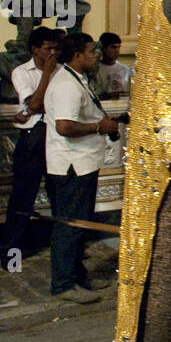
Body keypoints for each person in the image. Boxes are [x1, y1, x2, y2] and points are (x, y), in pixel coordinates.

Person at [43, 32, 119, 303]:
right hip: (72, 164)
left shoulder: (77, 79)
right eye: (91, 51)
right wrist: (100, 127)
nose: (96, 54)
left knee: (80, 223)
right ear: (77, 55)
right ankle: (63, 284)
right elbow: (64, 126)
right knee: (70, 224)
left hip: (83, 162)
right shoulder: (66, 85)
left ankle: (77, 276)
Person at [0, 26, 63, 265]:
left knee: (58, 195)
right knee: (22, 197)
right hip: (32, 137)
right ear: (35, 49)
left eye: (55, 48)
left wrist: (40, 105)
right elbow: (34, 104)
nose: (52, 53)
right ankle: (11, 256)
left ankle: (63, 252)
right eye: (48, 48)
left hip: (56, 136)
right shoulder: (21, 72)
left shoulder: (63, 71)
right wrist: (46, 75)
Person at [92, 31, 133, 99]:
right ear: (103, 48)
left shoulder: (125, 69)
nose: (117, 51)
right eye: (113, 47)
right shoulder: (95, 70)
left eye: (118, 47)